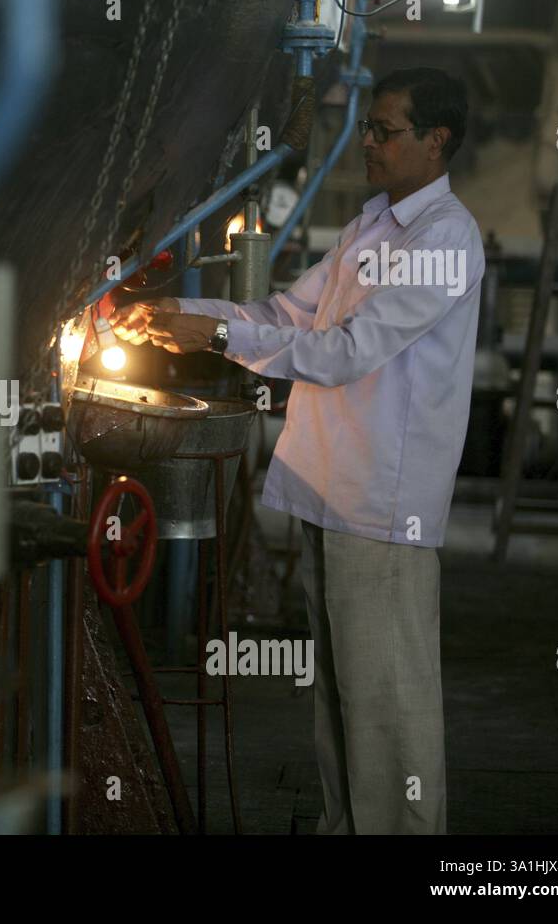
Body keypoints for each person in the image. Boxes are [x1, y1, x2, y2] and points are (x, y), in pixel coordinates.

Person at [112, 67, 483, 834]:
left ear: (436, 140)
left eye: (385, 130)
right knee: (342, 699)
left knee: (387, 704)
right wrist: (176, 310)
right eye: (369, 127)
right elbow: (282, 312)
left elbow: (346, 352)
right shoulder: (372, 226)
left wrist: (215, 336)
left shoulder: (446, 240)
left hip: (384, 506)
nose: (368, 143)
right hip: (333, 487)